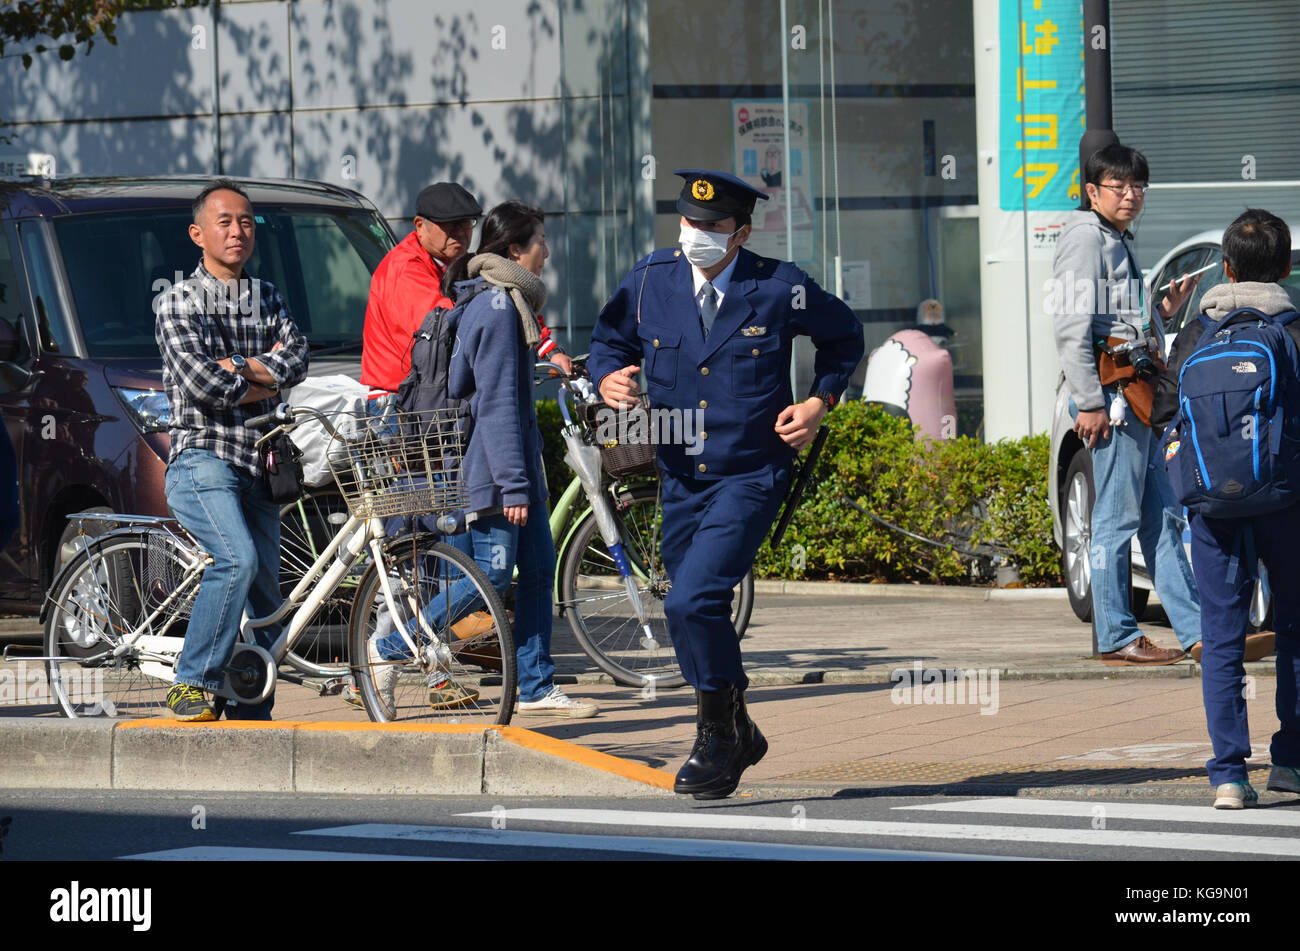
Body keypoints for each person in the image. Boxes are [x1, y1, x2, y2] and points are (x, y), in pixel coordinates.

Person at [588, 169, 864, 798]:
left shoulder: (779, 288)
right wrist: (610, 379)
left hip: (750, 471)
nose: (697, 236)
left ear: (740, 232)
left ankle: (715, 735)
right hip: (679, 472)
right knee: (684, 607)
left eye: (713, 227)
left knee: (693, 602)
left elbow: (844, 335)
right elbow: (607, 343)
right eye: (689, 223)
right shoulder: (649, 280)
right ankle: (736, 725)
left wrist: (820, 403)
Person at [361, 200, 598, 719]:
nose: (548, 252)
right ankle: (391, 648)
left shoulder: (511, 303)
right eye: (540, 242)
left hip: (519, 468)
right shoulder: (494, 308)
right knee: (486, 581)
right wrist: (514, 485)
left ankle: (536, 686)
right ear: (515, 250)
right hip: (491, 473)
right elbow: (493, 404)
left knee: (538, 574)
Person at [1152, 208, 1300, 808]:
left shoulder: (1197, 332)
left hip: (1211, 505)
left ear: (1227, 266)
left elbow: (1165, 411)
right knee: (1292, 629)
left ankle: (1229, 776)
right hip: (1288, 501)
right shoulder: (1293, 328)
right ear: (1286, 266)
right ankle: (1289, 762)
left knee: (1221, 636)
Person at [154, 178, 309, 721]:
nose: (238, 231)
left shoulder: (267, 295)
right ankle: (192, 681)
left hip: (263, 461)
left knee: (269, 602)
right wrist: (266, 375)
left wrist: (241, 369)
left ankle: (249, 707)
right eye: (224, 222)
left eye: (245, 221)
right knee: (236, 560)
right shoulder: (177, 302)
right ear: (198, 233)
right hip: (203, 458)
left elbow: (299, 359)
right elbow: (205, 388)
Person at [1052, 144, 1201, 666]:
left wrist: (1161, 310)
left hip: (1132, 397)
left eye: (1139, 186)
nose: (1132, 195)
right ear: (1093, 191)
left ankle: (1199, 632)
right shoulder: (1084, 239)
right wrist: (1089, 402)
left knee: (1160, 519)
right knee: (1115, 521)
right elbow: (1071, 328)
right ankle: (1116, 635)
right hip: (1111, 400)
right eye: (1120, 187)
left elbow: (1116, 320)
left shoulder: (1113, 239)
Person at [361, 182, 569, 398]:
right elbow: (453, 322)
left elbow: (499, 302)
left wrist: (548, 349)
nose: (460, 233)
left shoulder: (449, 262)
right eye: (449, 225)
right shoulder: (405, 268)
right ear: (420, 225)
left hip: (427, 395)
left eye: (466, 223)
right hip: (400, 404)